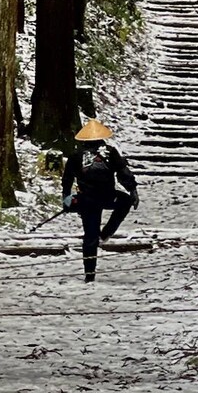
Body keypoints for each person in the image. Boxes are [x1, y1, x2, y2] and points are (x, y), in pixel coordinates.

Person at [62, 118, 139, 282]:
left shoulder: (77, 156)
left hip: (87, 199)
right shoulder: (109, 153)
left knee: (90, 236)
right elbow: (123, 172)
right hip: (107, 196)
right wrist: (132, 191)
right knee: (125, 201)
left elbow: (67, 179)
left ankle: (89, 274)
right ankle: (106, 233)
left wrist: (66, 197)